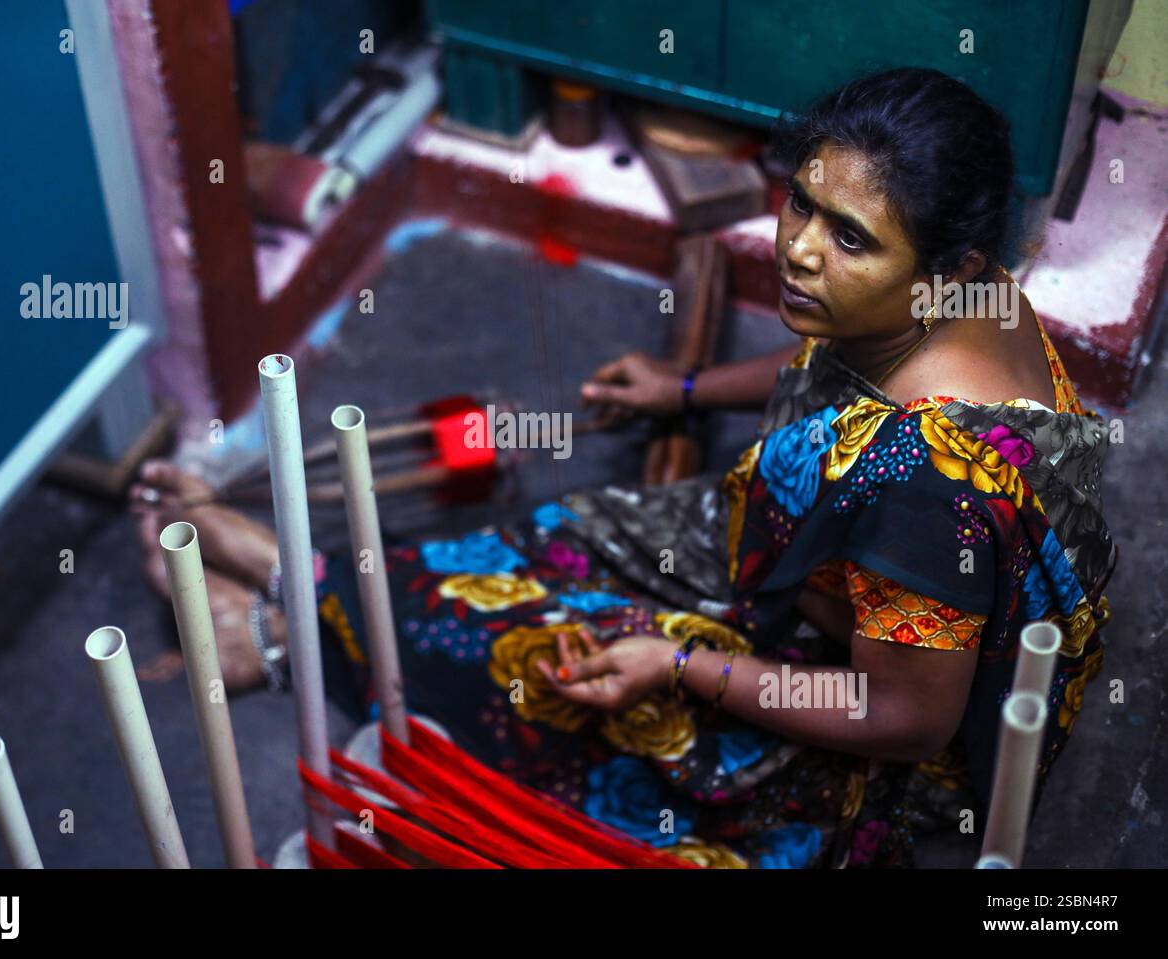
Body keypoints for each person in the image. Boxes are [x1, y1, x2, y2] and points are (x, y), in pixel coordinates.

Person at [130, 68, 1115, 867]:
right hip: (811, 578)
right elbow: (843, 356)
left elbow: (900, 715)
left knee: (547, 669)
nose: (799, 250)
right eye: (802, 204)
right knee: (562, 533)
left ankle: (289, 618)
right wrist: (682, 391)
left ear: (946, 269)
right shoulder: (969, 300)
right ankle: (313, 589)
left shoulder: (924, 484)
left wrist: (682, 663)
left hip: (854, 701)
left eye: (849, 237)